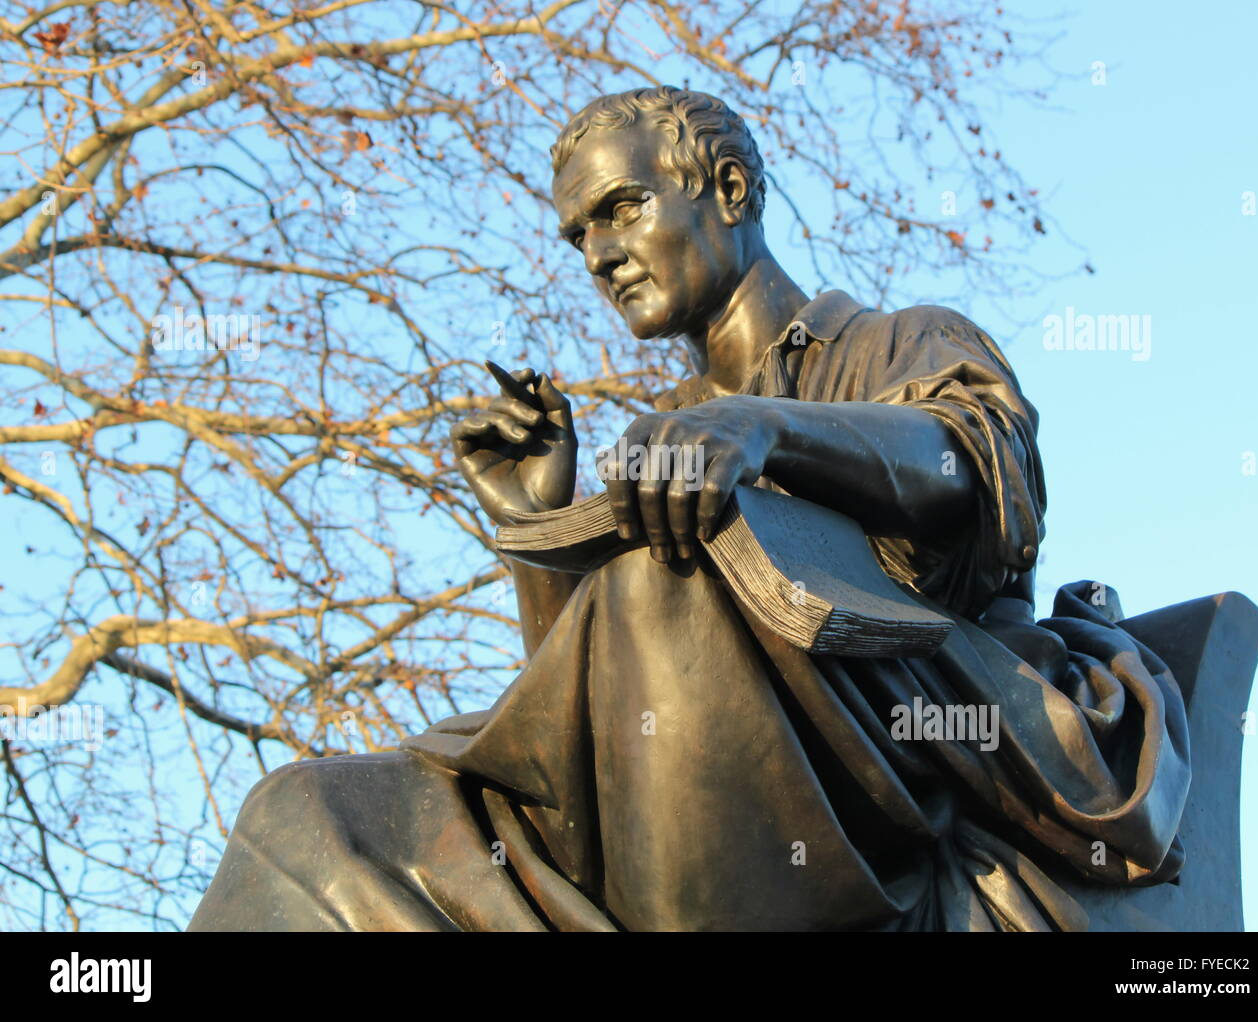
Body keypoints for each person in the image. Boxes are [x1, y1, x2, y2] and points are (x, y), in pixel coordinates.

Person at [189, 87, 1189, 932]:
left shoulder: (896, 342)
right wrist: (541, 536)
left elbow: (969, 464)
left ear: (728, 189)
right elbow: (578, 728)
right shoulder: (659, 441)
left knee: (661, 574)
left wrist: (766, 428)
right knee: (306, 812)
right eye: (579, 233)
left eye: (620, 209)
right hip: (671, 807)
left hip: (898, 765)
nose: (597, 254)